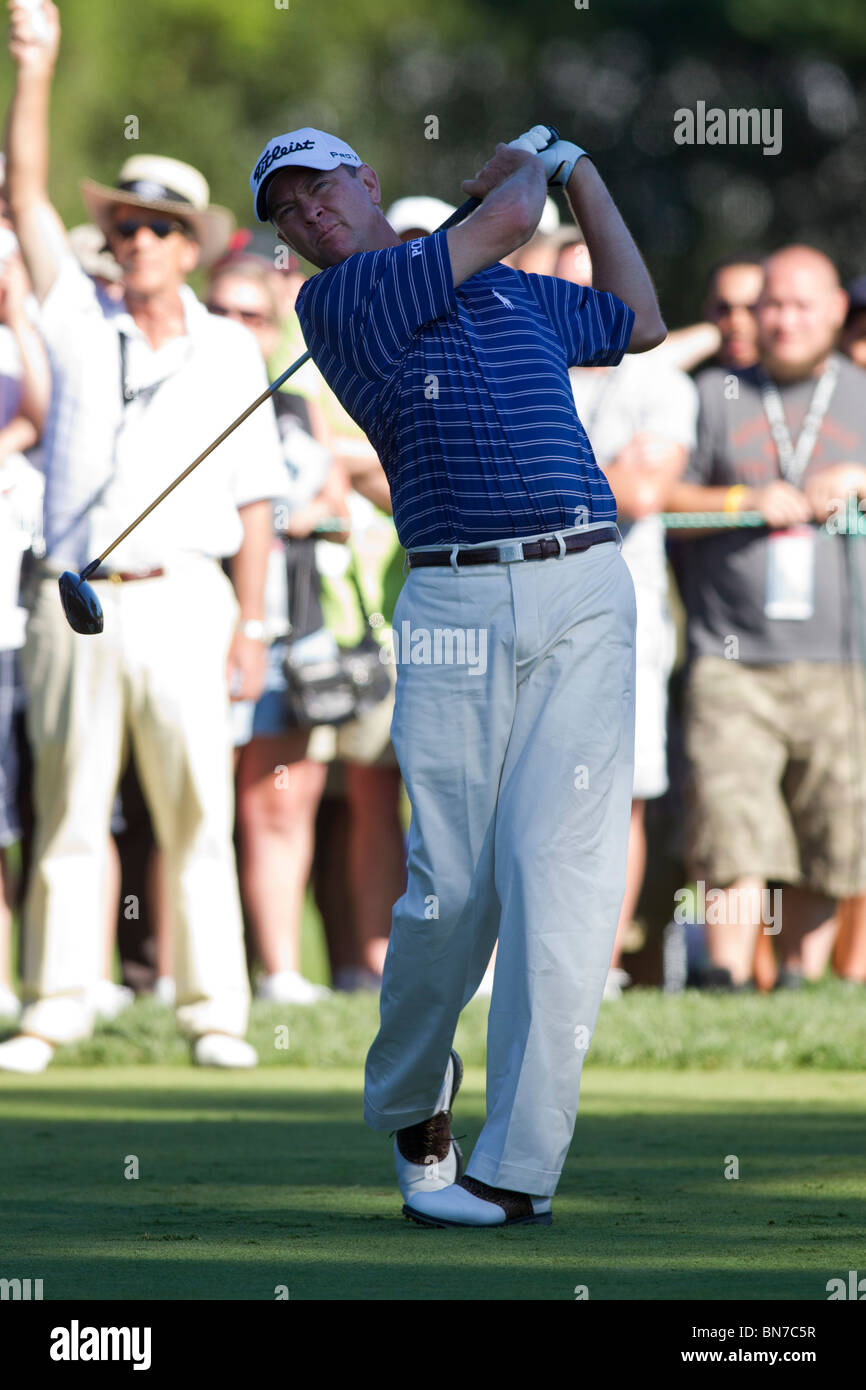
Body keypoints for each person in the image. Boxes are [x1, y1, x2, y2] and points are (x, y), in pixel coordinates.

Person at [249, 122, 665, 1226]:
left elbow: (639, 320)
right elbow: (507, 218)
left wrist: (582, 174)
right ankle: (409, 1091)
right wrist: (525, 173)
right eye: (283, 211)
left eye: (316, 188)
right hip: (451, 602)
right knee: (449, 888)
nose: (305, 215)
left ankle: (514, 1170)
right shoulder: (337, 303)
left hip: (584, 581)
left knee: (558, 880)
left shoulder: (511, 292)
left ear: (366, 178)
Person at [0, 1, 286, 1074]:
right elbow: (26, 190)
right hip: (77, 593)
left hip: (189, 592)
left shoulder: (228, 348)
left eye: (159, 227)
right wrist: (38, 63)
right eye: (125, 225)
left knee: (196, 808)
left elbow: (256, 498)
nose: (139, 241)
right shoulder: (75, 314)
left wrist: (253, 622)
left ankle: (214, 1007)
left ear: (191, 243)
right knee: (69, 806)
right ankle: (56, 1004)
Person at [667, 245, 866, 991]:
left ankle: (797, 985)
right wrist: (737, 503)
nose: (781, 320)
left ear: (836, 313)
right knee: (732, 824)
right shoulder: (714, 392)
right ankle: (723, 979)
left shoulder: (860, 393)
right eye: (769, 305)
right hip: (731, 655)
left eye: (800, 306)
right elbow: (660, 495)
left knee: (832, 831)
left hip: (843, 656)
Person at [556, 229, 698, 999]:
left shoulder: (660, 382)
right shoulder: (522, 364)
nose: (583, 307)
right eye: (567, 288)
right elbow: (612, 486)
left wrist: (526, 491)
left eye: (597, 291)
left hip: (623, 612)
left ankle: (598, 970)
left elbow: (640, 494)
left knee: (619, 795)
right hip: (530, 609)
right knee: (524, 794)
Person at [206, 256, 349, 1004]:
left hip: (296, 626)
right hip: (211, 620)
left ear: (272, 328)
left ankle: (282, 973)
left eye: (251, 316)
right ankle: (190, 975)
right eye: (220, 311)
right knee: (200, 801)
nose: (236, 328)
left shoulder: (296, 400)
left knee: (283, 801)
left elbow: (335, 495)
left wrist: (316, 515)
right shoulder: (191, 398)